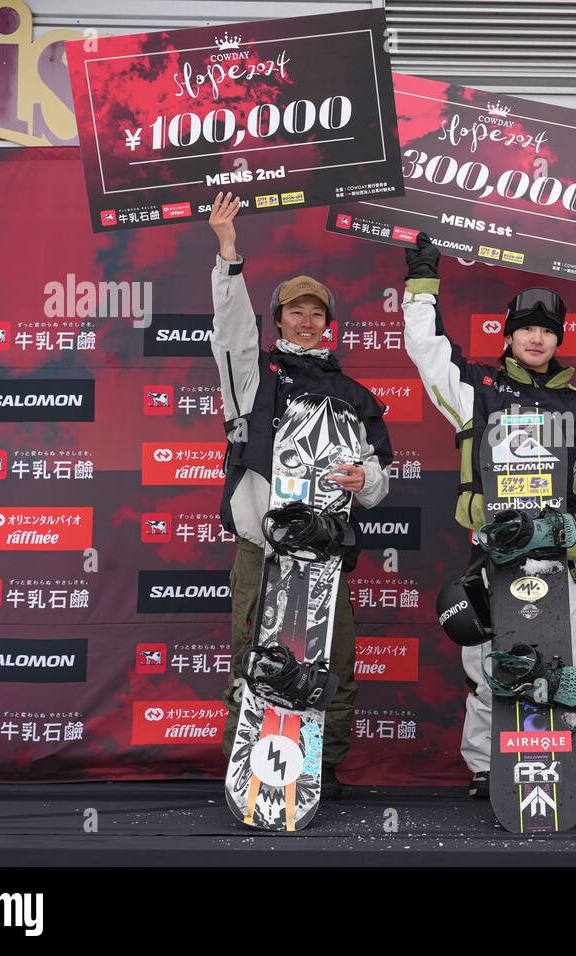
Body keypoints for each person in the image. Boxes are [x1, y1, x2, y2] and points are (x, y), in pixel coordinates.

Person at [400, 232, 576, 797]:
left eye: (547, 330)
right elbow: (427, 350)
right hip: (494, 559)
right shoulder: (478, 390)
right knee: (490, 671)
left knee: (566, 670)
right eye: (526, 327)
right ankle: (486, 767)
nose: (536, 337)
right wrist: (422, 283)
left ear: (557, 340)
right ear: (509, 333)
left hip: (558, 562)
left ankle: (567, 763)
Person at [208, 192, 393, 800]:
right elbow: (231, 333)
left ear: (328, 322)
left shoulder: (355, 396)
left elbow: (379, 483)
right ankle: (248, 764)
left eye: (317, 313)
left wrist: (363, 481)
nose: (306, 321)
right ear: (279, 318)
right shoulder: (254, 378)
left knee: (333, 667)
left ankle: (321, 767)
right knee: (252, 661)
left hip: (326, 558)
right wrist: (228, 255)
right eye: (295, 312)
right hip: (264, 551)